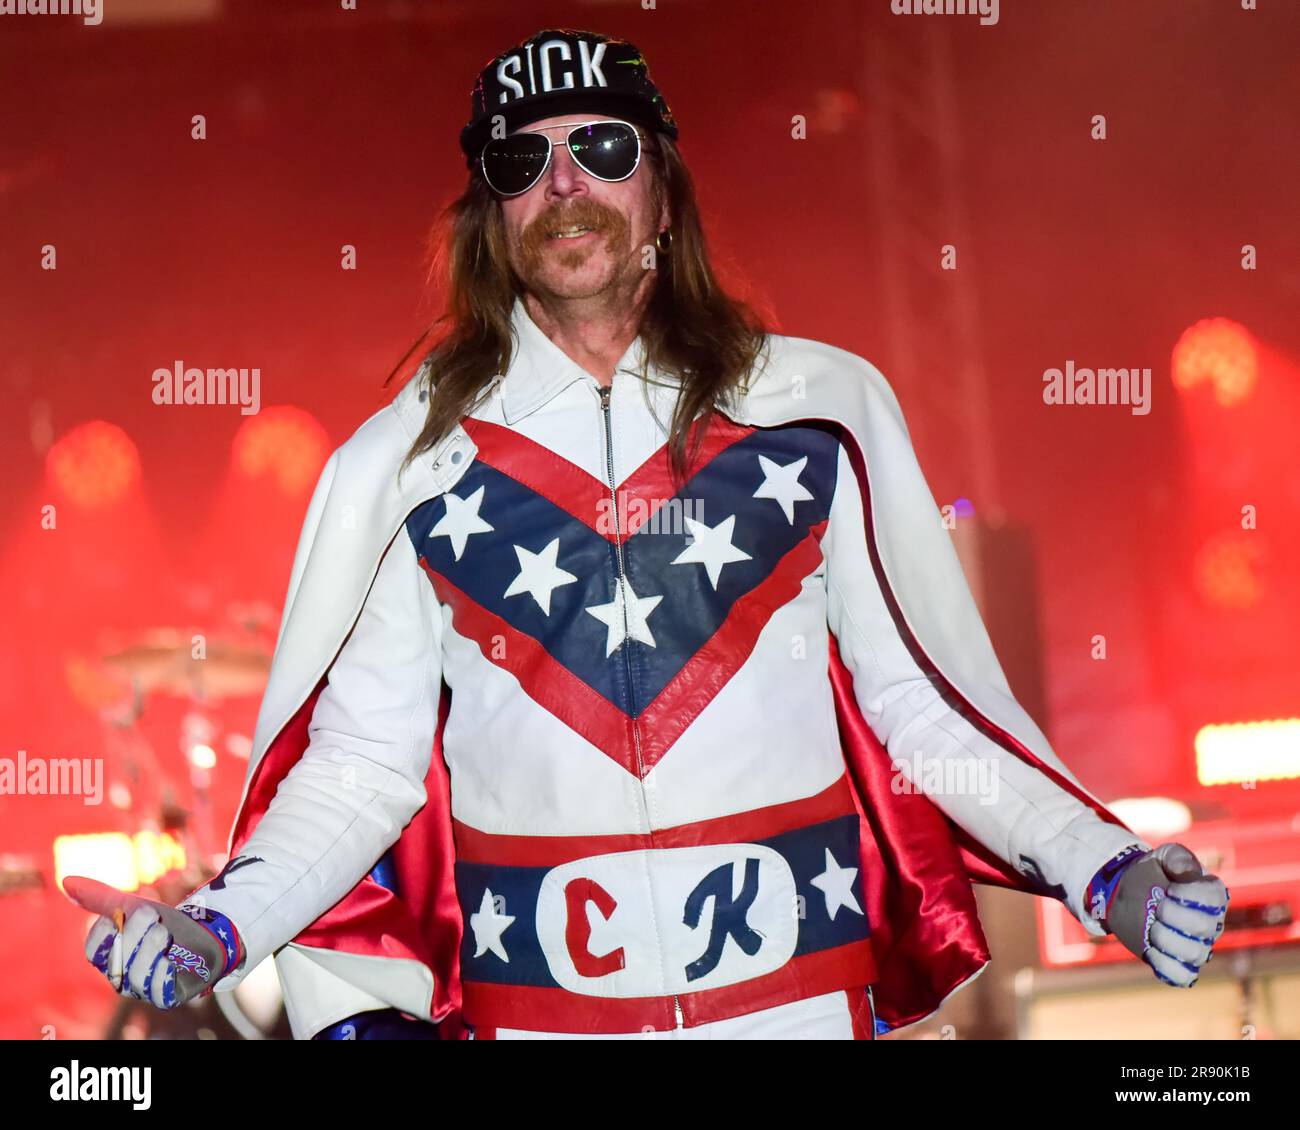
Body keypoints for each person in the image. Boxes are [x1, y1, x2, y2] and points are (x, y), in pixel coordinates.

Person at [68, 28, 1227, 1040]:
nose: (564, 183)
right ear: (491, 212)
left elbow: (923, 702)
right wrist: (218, 928)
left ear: (663, 193)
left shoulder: (820, 408)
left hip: (797, 1012)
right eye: (522, 162)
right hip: (543, 1025)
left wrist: (1101, 865)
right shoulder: (402, 467)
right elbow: (360, 770)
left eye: (603, 148)